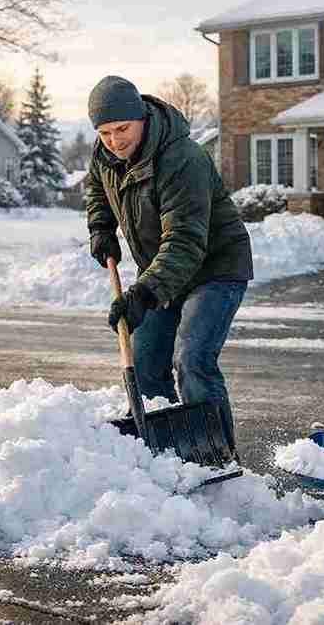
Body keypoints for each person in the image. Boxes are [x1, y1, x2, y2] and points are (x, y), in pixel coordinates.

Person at [83, 75, 253, 452]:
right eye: (106, 132)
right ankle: (169, 451)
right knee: (143, 362)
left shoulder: (183, 158)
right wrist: (100, 228)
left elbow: (186, 240)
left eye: (122, 129)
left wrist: (144, 293)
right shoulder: (105, 156)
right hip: (163, 271)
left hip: (214, 268)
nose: (115, 140)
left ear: (142, 116)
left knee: (192, 358)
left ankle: (216, 452)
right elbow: (96, 189)